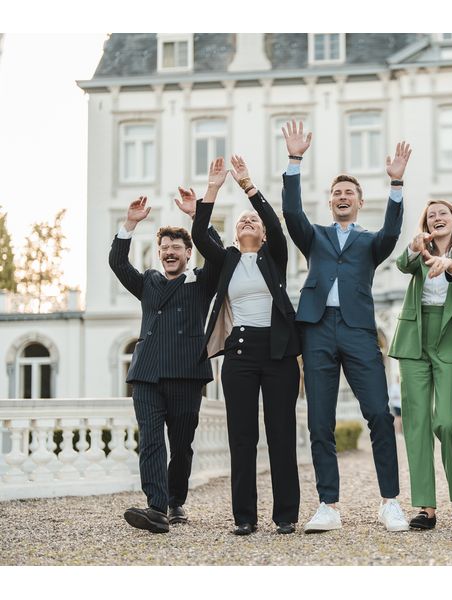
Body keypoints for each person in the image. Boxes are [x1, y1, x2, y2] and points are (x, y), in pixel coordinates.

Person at [280, 120, 412, 533]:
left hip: (357, 330)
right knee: (320, 420)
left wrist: (396, 184)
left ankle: (390, 502)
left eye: (348, 193)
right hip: (317, 329)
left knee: (379, 415)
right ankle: (328, 505)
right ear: (330, 201)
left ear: (359, 202)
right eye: (336, 193)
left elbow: (393, 232)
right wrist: (294, 160)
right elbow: (291, 212)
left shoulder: (370, 242)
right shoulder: (315, 237)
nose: (342, 197)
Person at [190, 156, 301, 536]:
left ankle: (285, 515)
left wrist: (248, 187)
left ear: (263, 234)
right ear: (235, 235)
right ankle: (244, 517)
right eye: (241, 221)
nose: (248, 221)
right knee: (242, 437)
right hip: (239, 352)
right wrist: (212, 188)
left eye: (253, 220)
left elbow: (276, 224)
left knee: (281, 434)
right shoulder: (227, 260)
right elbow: (200, 235)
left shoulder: (274, 256)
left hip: (279, 351)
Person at [109, 194, 221, 534]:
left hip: (187, 374)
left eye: (176, 248)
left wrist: (199, 218)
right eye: (165, 248)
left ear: (188, 253)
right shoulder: (148, 282)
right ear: (159, 254)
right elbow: (118, 263)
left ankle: (175, 501)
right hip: (146, 375)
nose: (170, 252)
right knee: (151, 441)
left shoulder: (202, 282)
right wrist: (129, 224)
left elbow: (218, 254)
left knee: (182, 446)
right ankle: (156, 508)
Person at [388, 199, 452, 530]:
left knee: (448, 421)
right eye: (431, 215)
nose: (437, 218)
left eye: (443, 213)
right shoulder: (419, 248)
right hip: (414, 337)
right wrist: (416, 249)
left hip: (451, 337)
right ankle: (426, 506)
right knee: (416, 424)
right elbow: (402, 264)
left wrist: (448, 264)